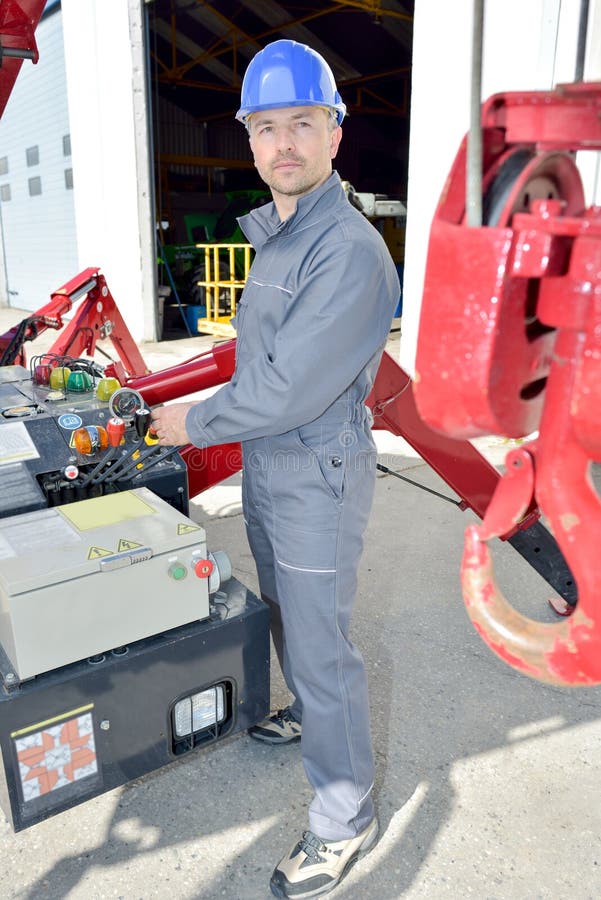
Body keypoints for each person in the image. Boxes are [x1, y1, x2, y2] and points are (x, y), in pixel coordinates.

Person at [150, 39, 400, 899]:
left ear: (335, 134)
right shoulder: (281, 238)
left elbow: (289, 385)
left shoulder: (347, 249)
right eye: (265, 127)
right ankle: (309, 712)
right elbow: (259, 362)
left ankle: (343, 816)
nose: (283, 142)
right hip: (271, 463)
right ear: (250, 141)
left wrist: (192, 421)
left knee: (322, 645)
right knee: (289, 611)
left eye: (302, 122)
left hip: (314, 469)